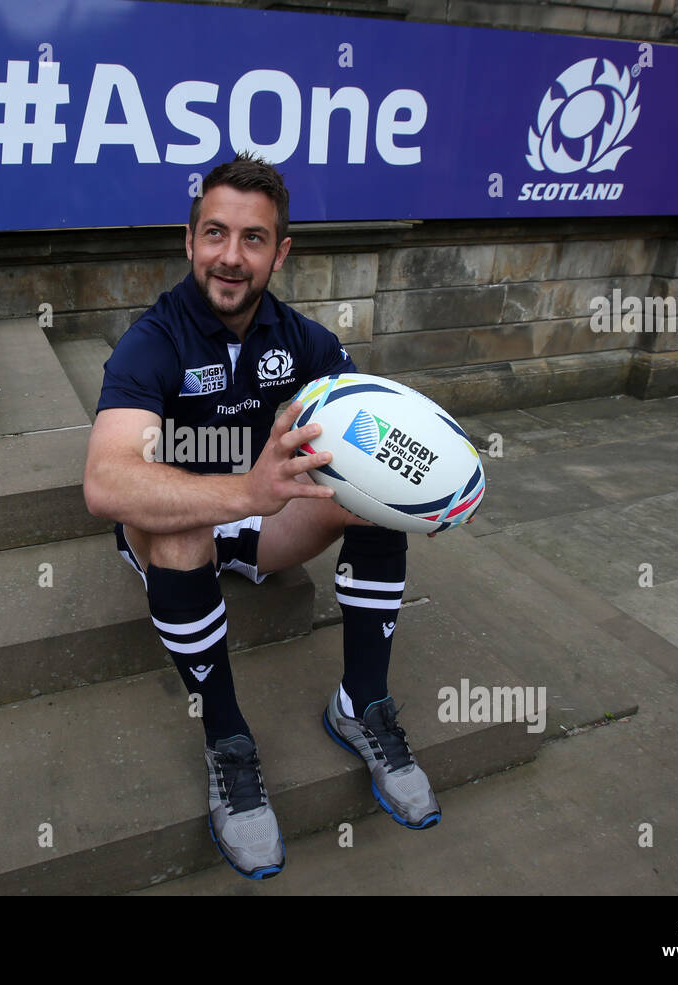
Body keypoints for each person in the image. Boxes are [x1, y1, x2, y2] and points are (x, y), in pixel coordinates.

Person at [83, 152, 440, 880]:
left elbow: (369, 419)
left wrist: (435, 480)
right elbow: (105, 481)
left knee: (373, 500)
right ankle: (228, 741)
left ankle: (360, 702)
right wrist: (245, 491)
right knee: (183, 528)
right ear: (189, 242)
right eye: (214, 233)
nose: (230, 256)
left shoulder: (297, 336)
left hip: (253, 520)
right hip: (172, 526)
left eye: (252, 239)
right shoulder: (154, 339)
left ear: (280, 252)